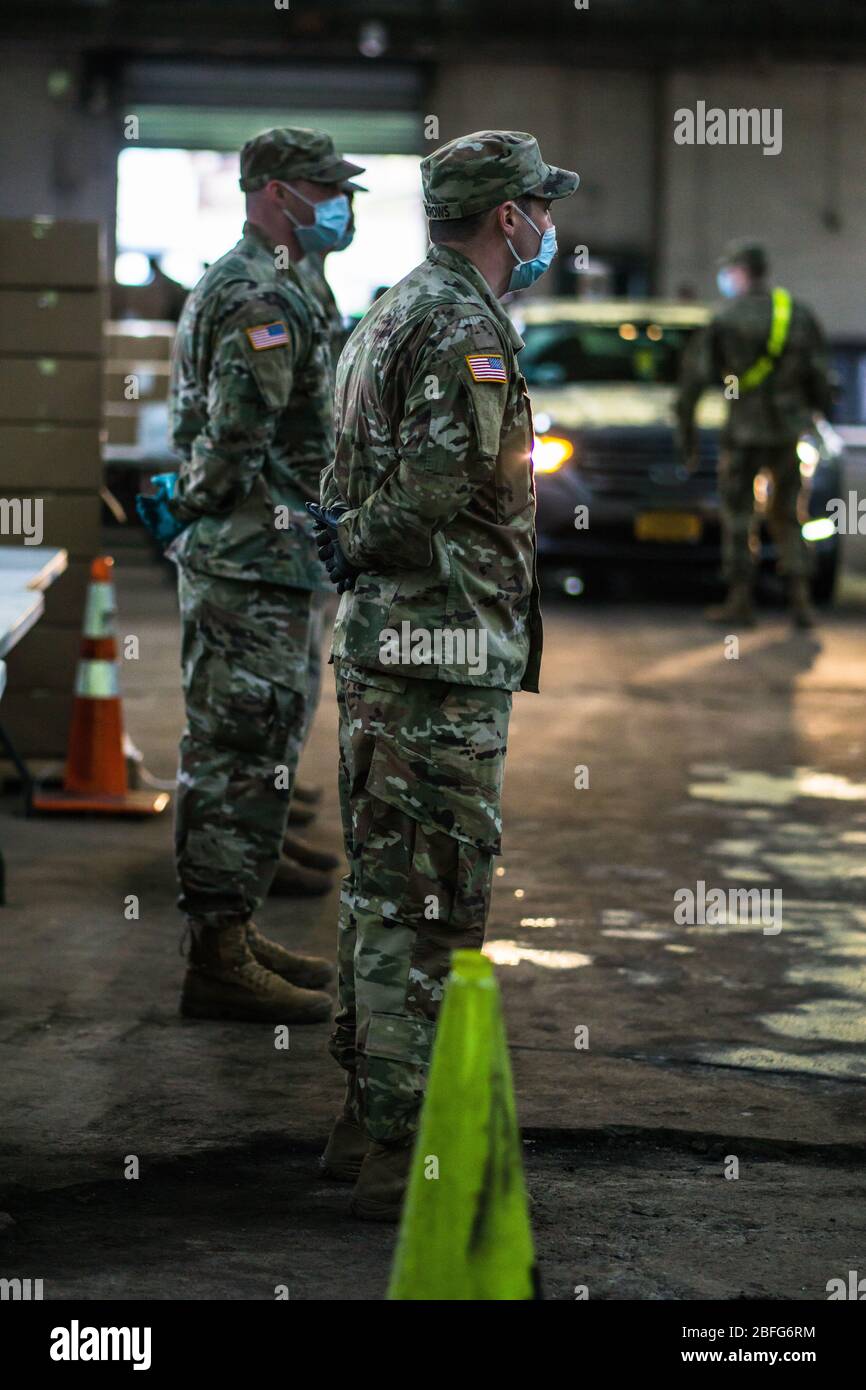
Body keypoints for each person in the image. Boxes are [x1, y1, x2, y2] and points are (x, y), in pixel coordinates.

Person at [310, 129, 579, 1220]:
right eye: (536, 205)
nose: (547, 223)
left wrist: (348, 547)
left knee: (382, 884)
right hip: (438, 649)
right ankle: (402, 1150)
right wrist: (358, 543)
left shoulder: (391, 305)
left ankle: (363, 1120)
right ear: (502, 215)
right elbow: (433, 485)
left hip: (394, 642)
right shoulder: (462, 322)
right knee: (432, 899)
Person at [167, 127, 364, 1023]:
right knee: (235, 755)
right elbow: (238, 431)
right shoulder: (255, 293)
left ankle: (235, 931)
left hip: (277, 558)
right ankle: (215, 955)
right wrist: (201, 504)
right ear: (276, 192)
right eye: (325, 187)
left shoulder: (286, 281)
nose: (340, 203)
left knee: (266, 749)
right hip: (248, 559)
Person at [677, 239, 834, 628]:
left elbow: (693, 383)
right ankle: (800, 600)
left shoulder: (726, 319)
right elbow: (820, 377)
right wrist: (817, 417)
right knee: (788, 513)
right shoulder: (796, 315)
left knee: (737, 514)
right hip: (787, 432)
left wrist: (688, 437)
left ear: (740, 272)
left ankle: (741, 600)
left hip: (743, 432)